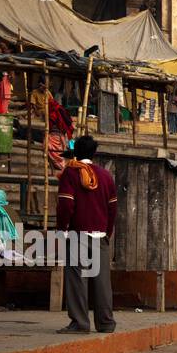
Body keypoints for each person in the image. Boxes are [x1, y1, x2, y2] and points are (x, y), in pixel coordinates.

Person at [54, 135, 116, 334]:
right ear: (94, 153)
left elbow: (65, 204)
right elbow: (112, 208)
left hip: (77, 234)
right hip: (101, 235)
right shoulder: (105, 176)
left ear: (76, 152)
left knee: (77, 278)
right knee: (102, 281)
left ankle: (80, 323)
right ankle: (106, 323)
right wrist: (108, 231)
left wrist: (62, 229)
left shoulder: (70, 174)